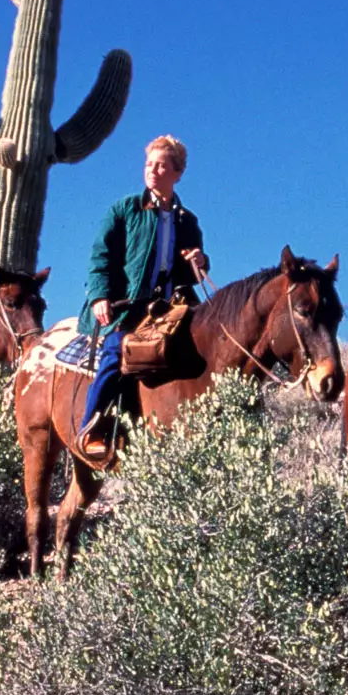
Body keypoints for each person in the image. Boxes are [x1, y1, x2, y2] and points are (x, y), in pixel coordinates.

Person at [76, 135, 210, 460]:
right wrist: (99, 296)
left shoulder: (186, 220)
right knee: (114, 356)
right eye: (149, 164)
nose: (153, 170)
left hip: (168, 308)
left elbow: (193, 272)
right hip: (125, 307)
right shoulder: (125, 210)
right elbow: (100, 257)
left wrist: (200, 262)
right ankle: (90, 429)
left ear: (177, 173)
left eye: (162, 164)